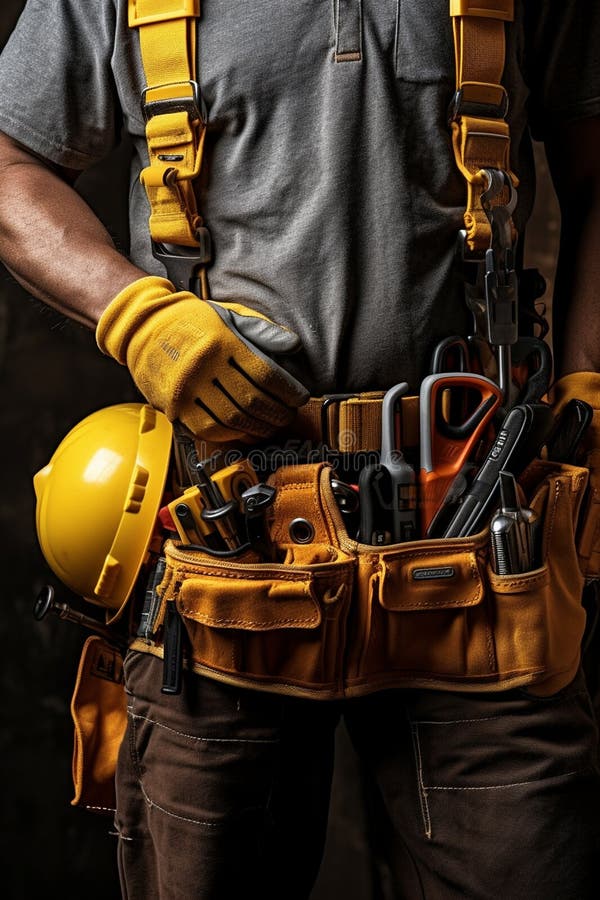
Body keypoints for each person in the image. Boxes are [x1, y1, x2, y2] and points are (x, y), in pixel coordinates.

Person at [0, 2, 599, 898]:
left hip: (476, 532)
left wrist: (587, 390)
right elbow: (7, 165)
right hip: (226, 555)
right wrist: (136, 313)